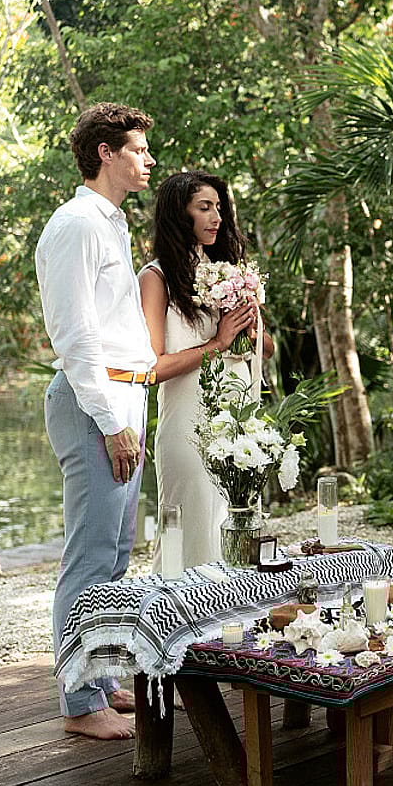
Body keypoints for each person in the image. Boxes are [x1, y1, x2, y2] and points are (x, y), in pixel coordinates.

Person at [36, 102, 157, 740]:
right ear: (106, 153)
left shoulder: (110, 223)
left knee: (113, 558)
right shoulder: (77, 224)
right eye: (138, 149)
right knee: (87, 558)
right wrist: (111, 422)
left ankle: (104, 677)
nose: (149, 159)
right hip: (95, 404)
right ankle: (80, 704)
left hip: (124, 399)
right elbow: (76, 334)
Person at [139, 171, 273, 571]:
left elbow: (265, 349)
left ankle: (236, 630)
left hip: (238, 426)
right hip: (188, 426)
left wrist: (249, 325)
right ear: (180, 215)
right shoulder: (156, 278)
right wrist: (215, 344)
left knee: (239, 530)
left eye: (218, 207)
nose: (216, 216)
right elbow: (152, 367)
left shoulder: (227, 271)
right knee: (191, 532)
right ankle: (175, 627)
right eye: (204, 207)